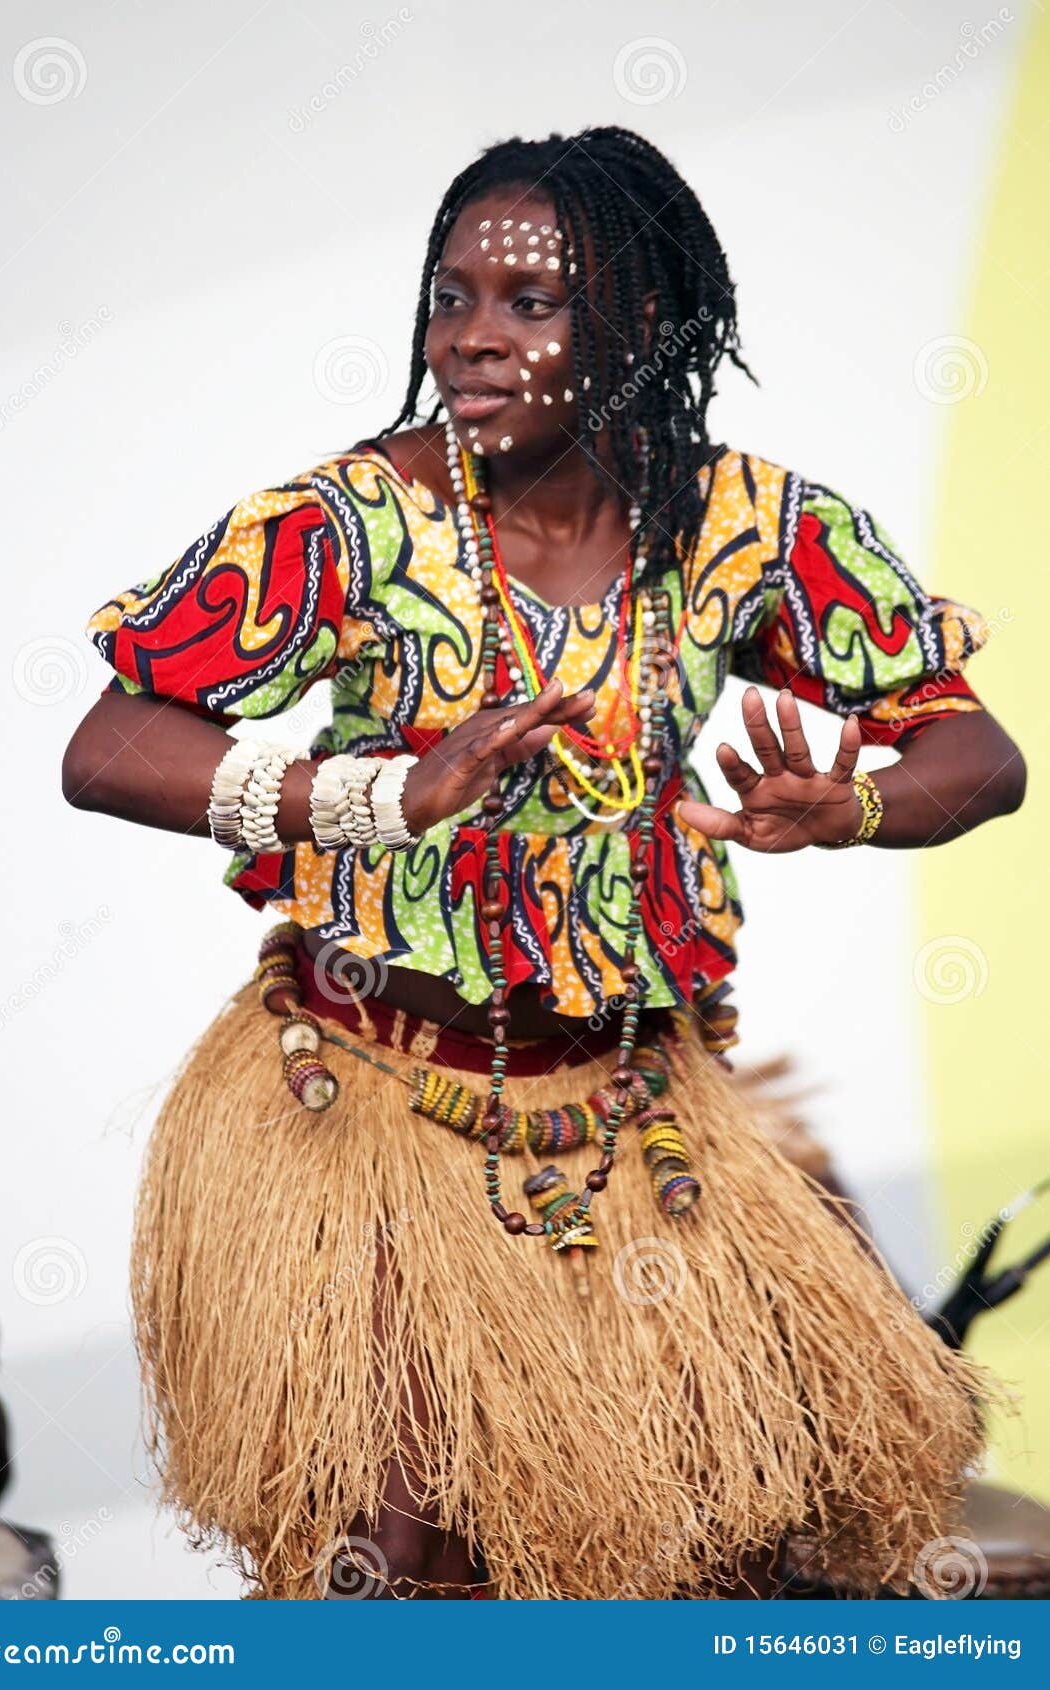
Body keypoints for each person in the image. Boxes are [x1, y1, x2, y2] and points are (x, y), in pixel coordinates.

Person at [62, 126, 1025, 1602]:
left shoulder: (748, 529)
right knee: (397, 1556)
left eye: (531, 304)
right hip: (372, 1108)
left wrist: (861, 808)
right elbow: (111, 746)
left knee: (749, 1541)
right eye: (451, 299)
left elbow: (977, 753)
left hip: (637, 1113)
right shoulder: (347, 526)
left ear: (639, 322)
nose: (473, 341)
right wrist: (388, 790)